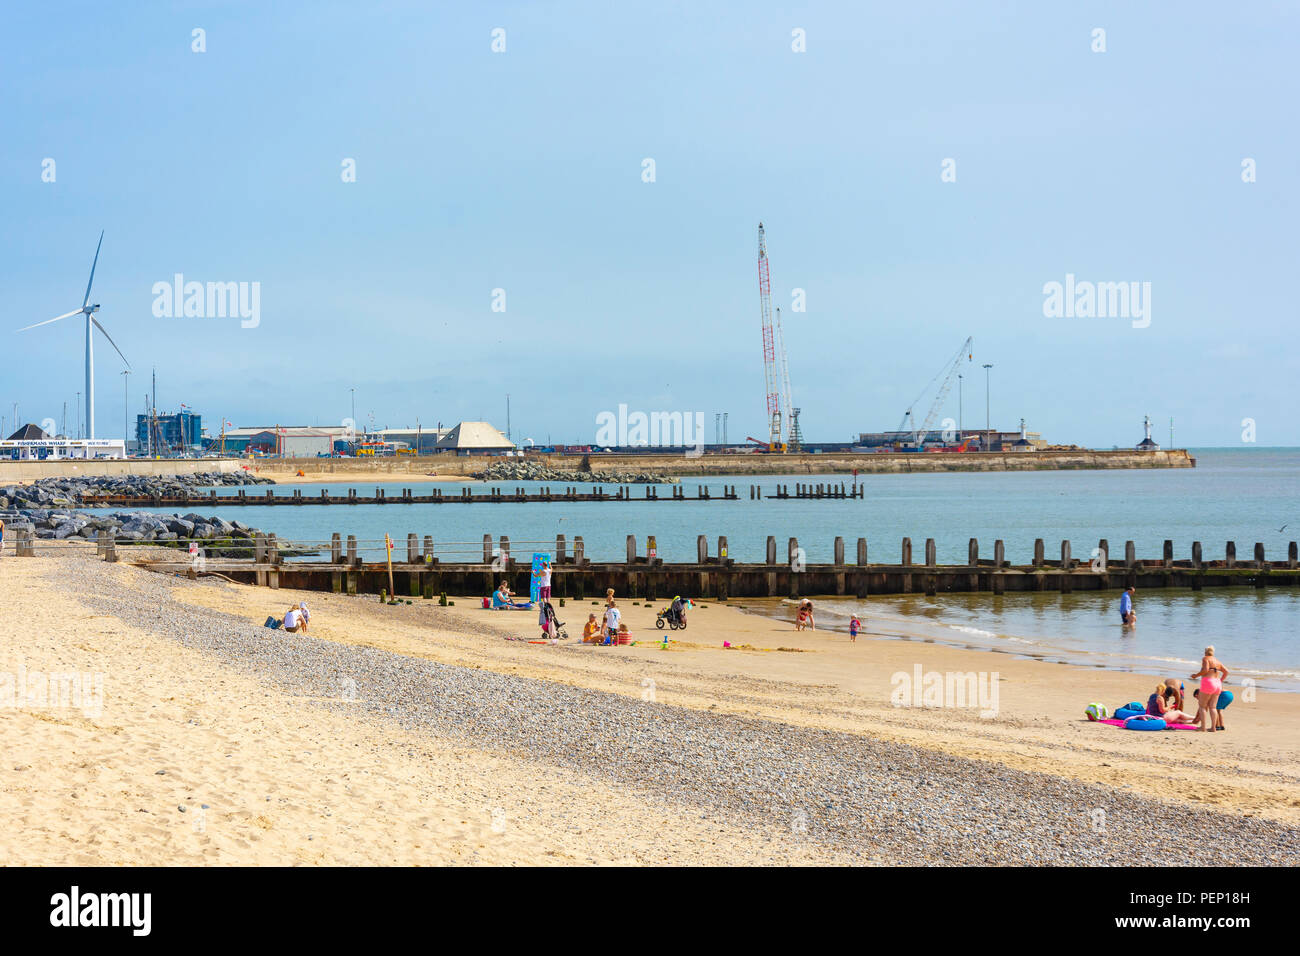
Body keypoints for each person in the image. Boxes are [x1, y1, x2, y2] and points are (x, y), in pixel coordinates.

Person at [1190, 646, 1228, 732]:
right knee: (1213, 707)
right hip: (1217, 683)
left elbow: (1206, 670)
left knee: (1202, 706)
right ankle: (1213, 728)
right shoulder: (1217, 661)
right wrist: (1220, 680)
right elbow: (1226, 671)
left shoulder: (1205, 658)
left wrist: (1196, 675)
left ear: (1205, 652)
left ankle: (1203, 727)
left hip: (1208, 682)